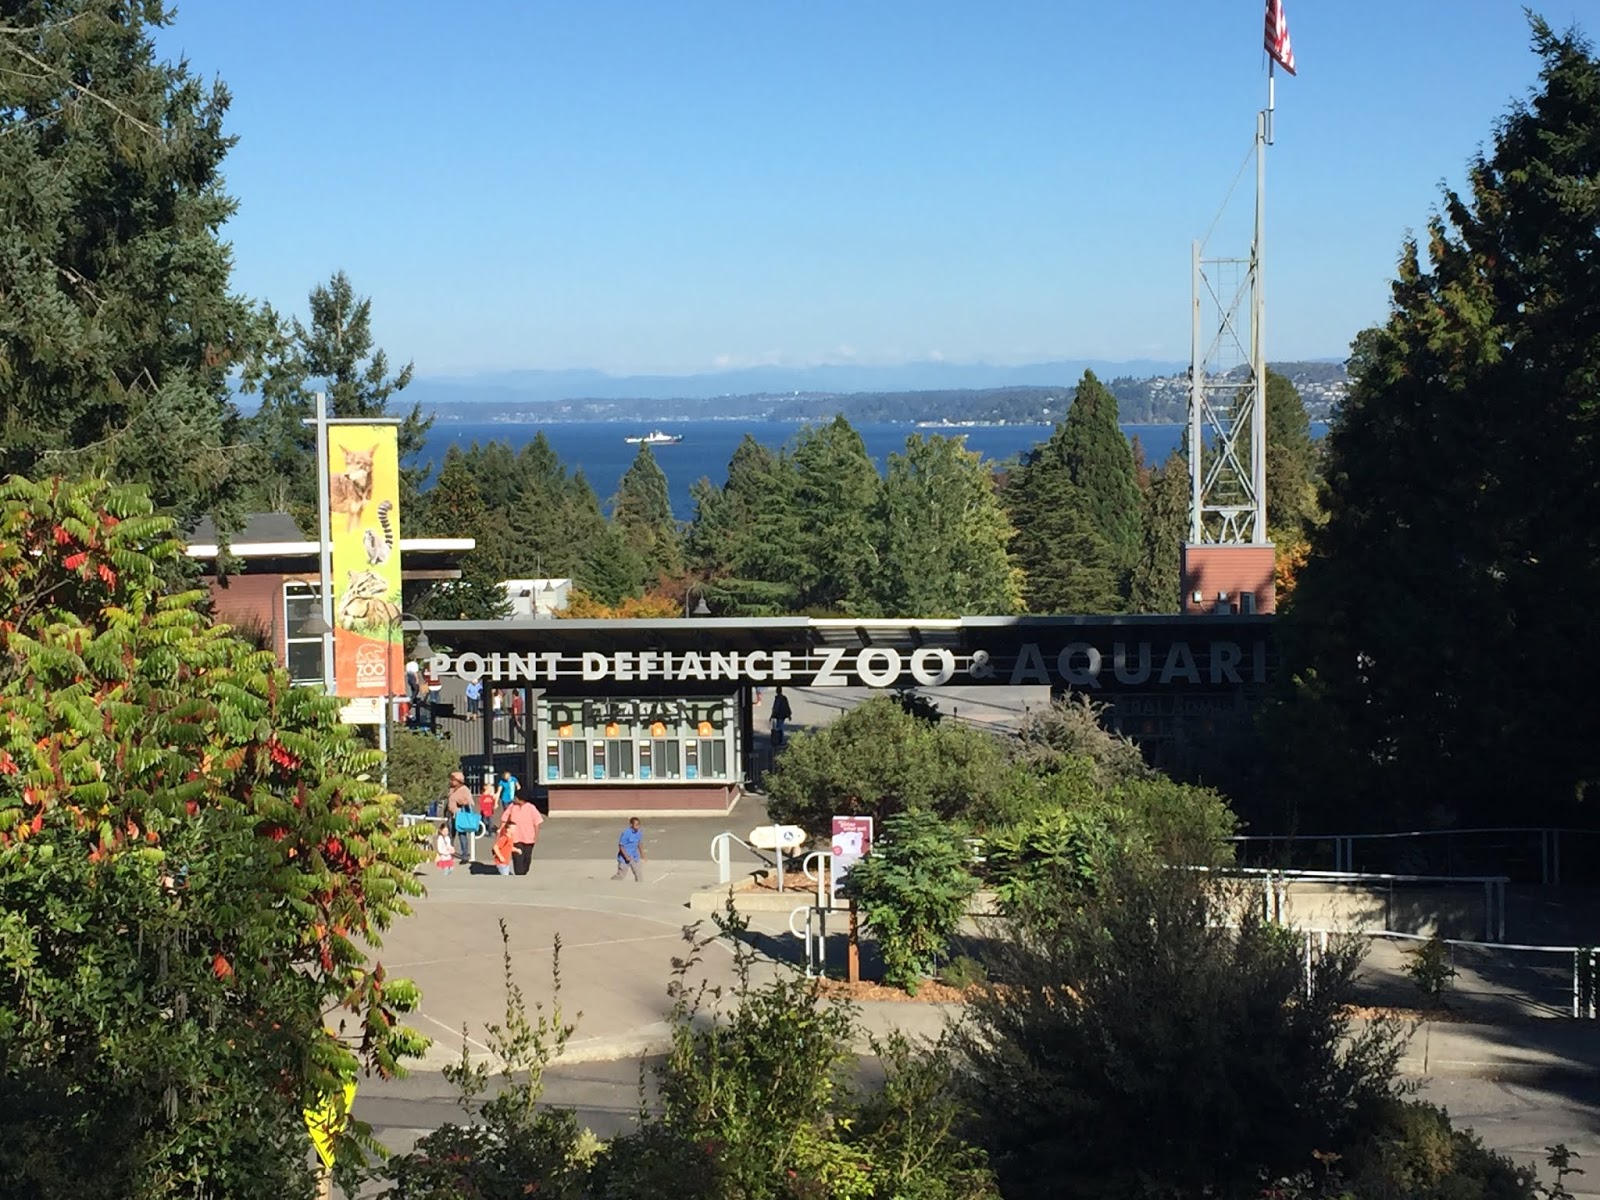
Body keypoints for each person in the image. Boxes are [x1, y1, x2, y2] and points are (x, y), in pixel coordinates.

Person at [501, 787, 544, 877]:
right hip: (515, 837)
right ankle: (519, 874)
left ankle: (524, 871)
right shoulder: (512, 807)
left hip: (528, 837)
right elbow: (504, 818)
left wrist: (536, 836)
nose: (514, 799)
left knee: (527, 857)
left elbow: (537, 823)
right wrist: (503, 829)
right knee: (517, 857)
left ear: (521, 799)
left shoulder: (531, 808)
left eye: (516, 797)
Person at [613, 816, 645, 882]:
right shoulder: (626, 833)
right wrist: (626, 856)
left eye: (638, 824)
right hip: (624, 857)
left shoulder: (639, 833)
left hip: (634, 856)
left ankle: (639, 887)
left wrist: (642, 854)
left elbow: (639, 843)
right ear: (631, 825)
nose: (637, 826)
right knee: (621, 875)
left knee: (638, 874)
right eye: (636, 825)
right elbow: (621, 845)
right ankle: (612, 882)